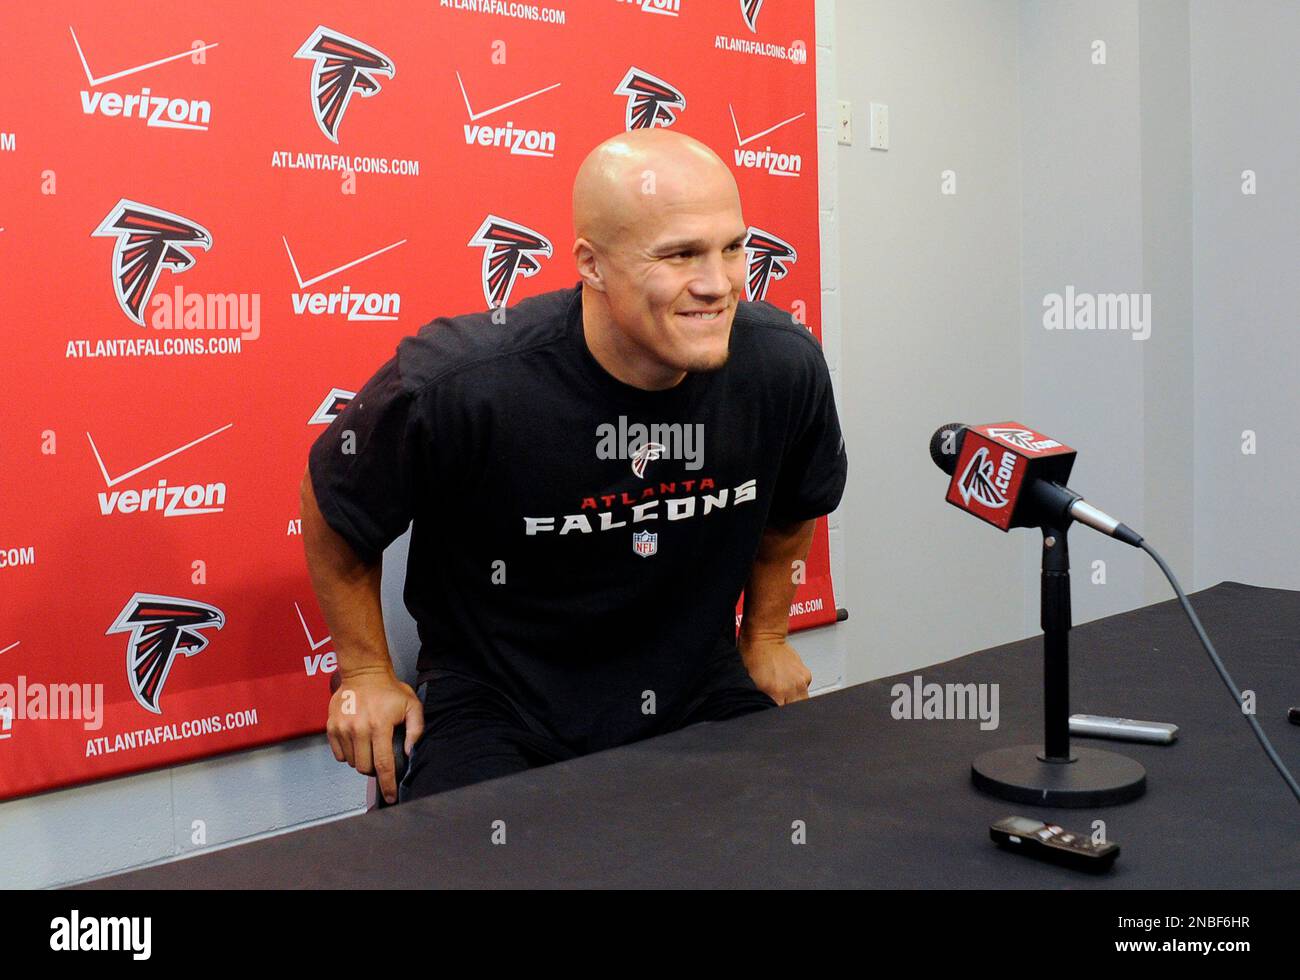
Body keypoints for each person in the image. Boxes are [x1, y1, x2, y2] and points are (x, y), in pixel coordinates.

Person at [300, 128, 847, 804]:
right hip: (502, 712)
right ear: (591, 265)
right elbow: (337, 508)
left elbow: (795, 506)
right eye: (680, 254)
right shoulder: (464, 382)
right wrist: (362, 674)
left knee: (806, 846)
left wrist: (764, 633)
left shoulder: (781, 365)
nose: (718, 284)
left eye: (732, 248)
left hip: (696, 691)